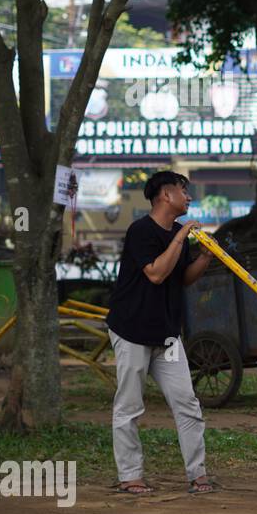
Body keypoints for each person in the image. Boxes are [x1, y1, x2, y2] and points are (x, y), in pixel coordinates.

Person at [104, 171, 217, 494]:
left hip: (166, 335)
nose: (189, 197)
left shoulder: (177, 235)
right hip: (132, 331)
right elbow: (155, 273)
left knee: (187, 402)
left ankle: (198, 475)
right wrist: (182, 237)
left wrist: (205, 257)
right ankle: (130, 476)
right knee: (129, 406)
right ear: (166, 195)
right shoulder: (140, 231)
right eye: (184, 191)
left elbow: (181, 278)